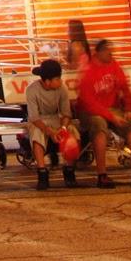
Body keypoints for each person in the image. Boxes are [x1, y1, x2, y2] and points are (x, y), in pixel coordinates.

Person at [77, 38, 131, 187]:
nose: (111, 54)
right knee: (99, 125)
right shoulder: (88, 70)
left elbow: (124, 88)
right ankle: (102, 175)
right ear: (99, 53)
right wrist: (111, 117)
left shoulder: (113, 64)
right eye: (108, 51)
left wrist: (128, 109)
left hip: (112, 108)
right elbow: (88, 103)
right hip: (91, 110)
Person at [26, 59, 80, 189]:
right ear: (47, 81)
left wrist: (63, 128)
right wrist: (50, 131)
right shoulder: (32, 90)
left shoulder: (62, 89)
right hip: (39, 121)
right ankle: (42, 172)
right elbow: (34, 117)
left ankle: (69, 169)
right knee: (37, 134)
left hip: (56, 119)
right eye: (57, 79)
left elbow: (66, 113)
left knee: (72, 132)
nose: (60, 81)